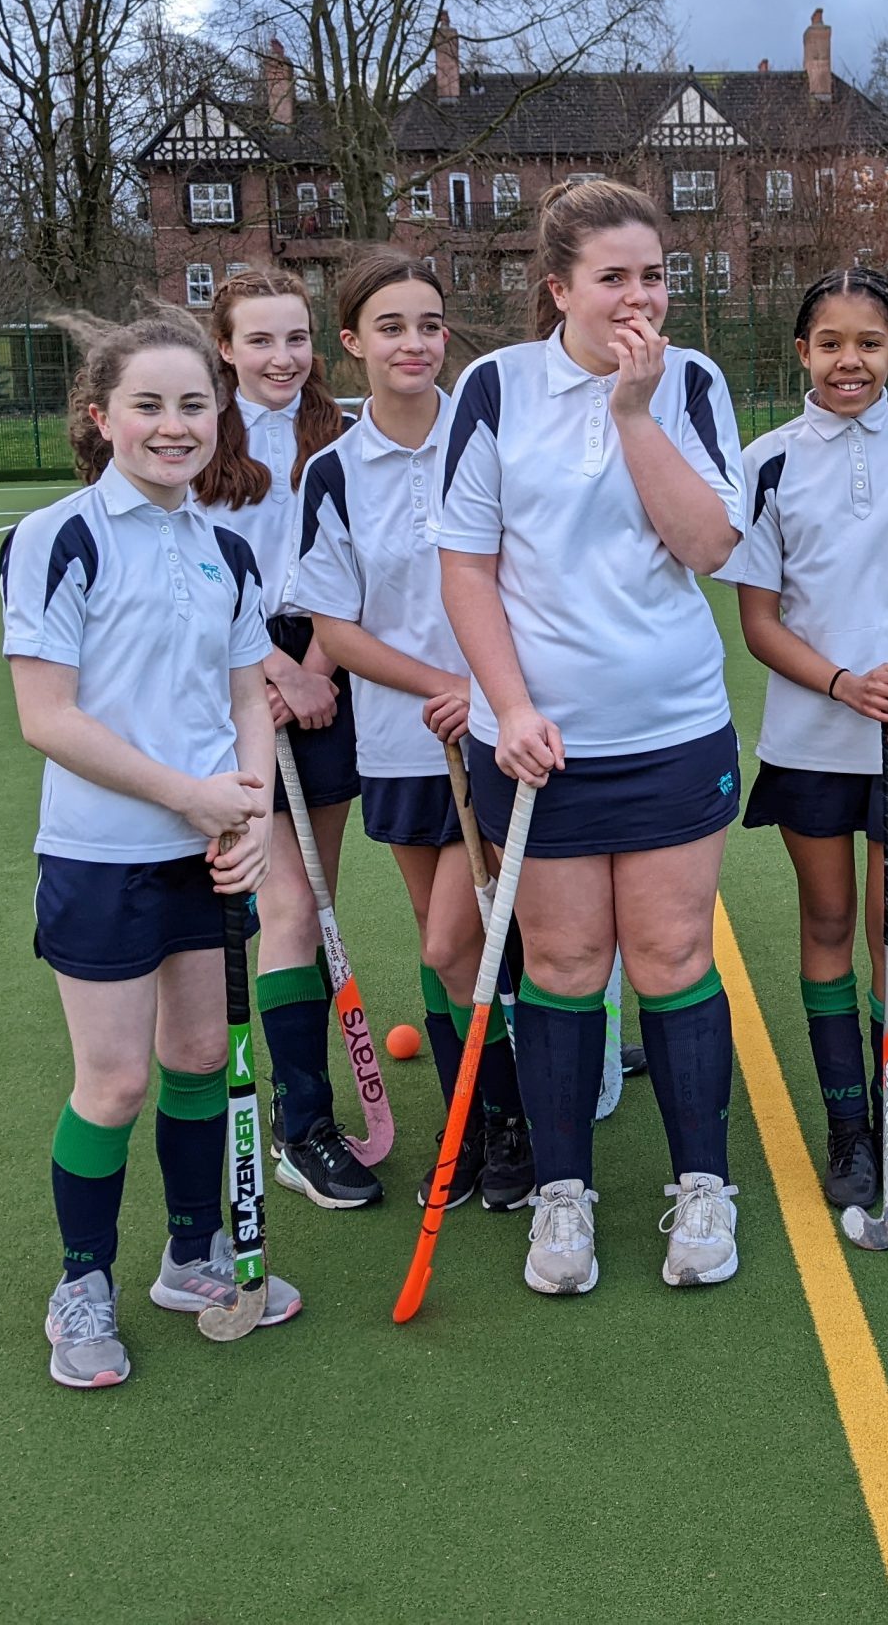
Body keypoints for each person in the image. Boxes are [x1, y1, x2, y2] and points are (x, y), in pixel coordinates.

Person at [435, 178, 748, 1295]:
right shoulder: (493, 387)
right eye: (612, 277)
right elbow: (466, 567)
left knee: (672, 958)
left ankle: (703, 1187)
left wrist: (633, 413)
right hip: (538, 745)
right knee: (565, 966)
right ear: (559, 287)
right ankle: (562, 1197)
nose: (638, 297)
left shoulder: (690, 382)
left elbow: (708, 545)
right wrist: (510, 707)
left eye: (654, 275)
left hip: (670, 726)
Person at [1, 309, 301, 1390]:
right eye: (148, 405)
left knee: (201, 1058)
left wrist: (248, 814)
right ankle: (82, 1283)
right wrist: (190, 797)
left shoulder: (226, 550)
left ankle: (189, 1255)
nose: (174, 426)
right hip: (102, 855)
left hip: (207, 851)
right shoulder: (60, 537)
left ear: (220, 417)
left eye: (192, 406)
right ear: (100, 417)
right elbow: (47, 717)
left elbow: (248, 699)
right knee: (116, 1081)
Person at [722, 268, 888, 1209]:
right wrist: (843, 685)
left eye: (869, 344)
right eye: (831, 343)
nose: (850, 361)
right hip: (809, 739)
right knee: (830, 923)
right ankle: (848, 1132)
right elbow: (759, 622)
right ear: (803, 352)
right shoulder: (766, 461)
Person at [285, 249, 535, 1215]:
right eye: (391, 327)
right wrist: (443, 684)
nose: (415, 343)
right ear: (351, 342)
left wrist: (488, 693)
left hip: (501, 732)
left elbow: (533, 583)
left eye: (429, 324)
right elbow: (336, 627)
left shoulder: (495, 437)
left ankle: (510, 1114)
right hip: (402, 740)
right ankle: (481, 1120)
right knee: (456, 949)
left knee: (453, 944)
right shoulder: (332, 472)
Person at [189, 267, 383, 1212]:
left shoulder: (343, 434)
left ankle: (303, 1107)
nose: (282, 358)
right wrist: (270, 673)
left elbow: (355, 572)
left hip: (323, 675)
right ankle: (302, 1126)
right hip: (232, 691)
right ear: (224, 348)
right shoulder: (198, 439)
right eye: (259, 340)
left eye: (296, 338)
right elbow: (200, 581)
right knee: (290, 907)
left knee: (309, 902)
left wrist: (315, 671)